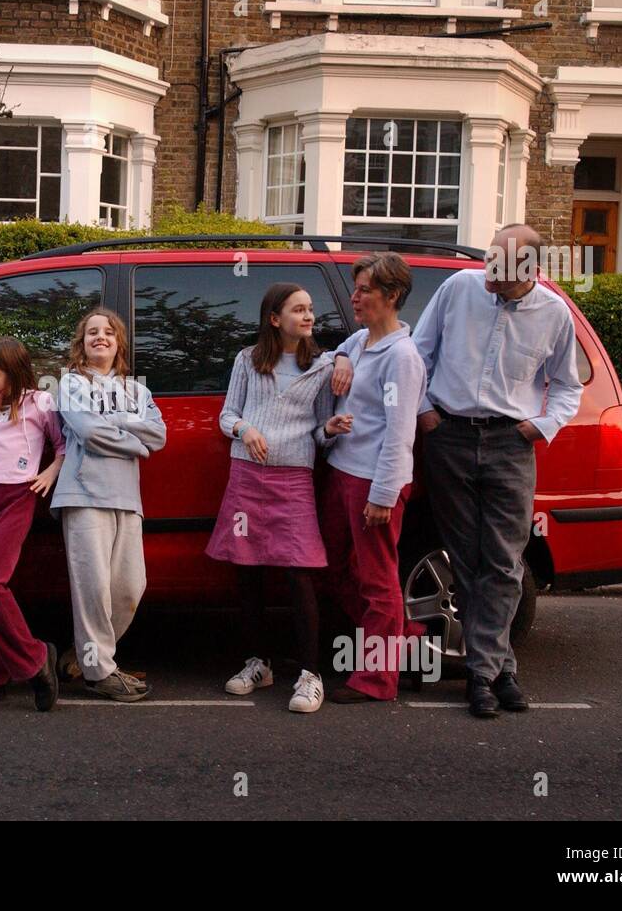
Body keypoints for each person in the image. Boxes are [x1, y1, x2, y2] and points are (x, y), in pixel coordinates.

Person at [411, 224, 582, 718]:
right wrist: (424, 409)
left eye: (500, 268)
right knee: (466, 561)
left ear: (529, 270)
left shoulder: (554, 313)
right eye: (488, 258)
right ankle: (499, 671)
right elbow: (418, 354)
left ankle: (482, 676)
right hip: (449, 437)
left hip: (511, 444)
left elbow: (567, 385)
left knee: (505, 562)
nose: (488, 272)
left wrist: (540, 426)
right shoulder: (458, 289)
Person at [207, 282, 350, 714]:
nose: (308, 317)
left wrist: (330, 430)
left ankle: (310, 674)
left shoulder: (322, 367)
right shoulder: (247, 360)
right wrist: (245, 430)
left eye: (310, 310)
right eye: (298, 310)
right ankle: (258, 663)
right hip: (247, 476)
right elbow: (227, 415)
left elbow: (319, 432)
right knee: (247, 568)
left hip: (293, 479)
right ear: (274, 319)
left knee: (298, 571)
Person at [320, 252, 426, 704]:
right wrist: (343, 356)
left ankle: (377, 679)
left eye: (364, 290)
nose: (355, 297)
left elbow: (401, 433)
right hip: (342, 470)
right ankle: (405, 637)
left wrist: (383, 495)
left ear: (393, 295)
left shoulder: (402, 357)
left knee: (377, 579)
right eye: (356, 288)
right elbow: (337, 351)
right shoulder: (363, 340)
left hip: (373, 481)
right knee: (332, 566)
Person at [53, 307, 167, 702]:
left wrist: (120, 423)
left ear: (119, 343)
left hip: (127, 497)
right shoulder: (71, 383)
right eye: (92, 332)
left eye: (108, 332)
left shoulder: (137, 391)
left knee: (130, 586)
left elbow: (159, 435)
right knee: (93, 588)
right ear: (82, 343)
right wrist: (136, 442)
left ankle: (84, 654)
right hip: (84, 494)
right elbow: (88, 431)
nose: (100, 337)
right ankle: (99, 671)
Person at [0, 336, 65, 711]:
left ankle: (36, 658)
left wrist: (51, 471)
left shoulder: (39, 403)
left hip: (18, 495)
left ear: (13, 374)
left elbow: (63, 445)